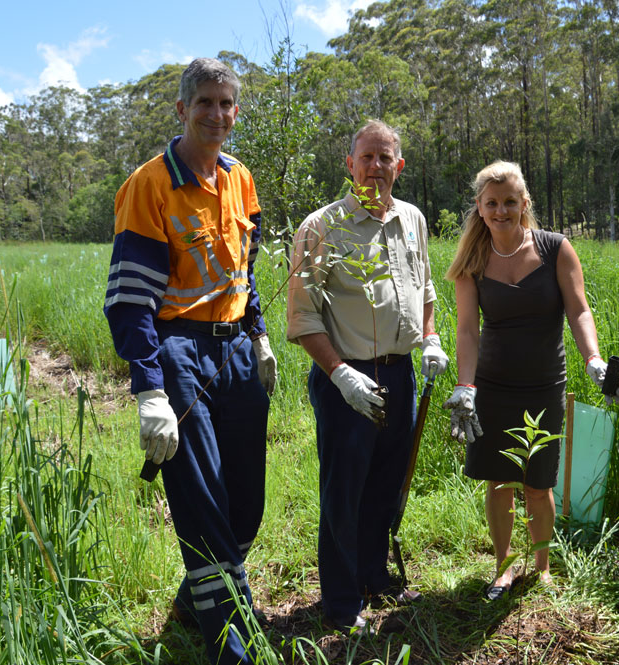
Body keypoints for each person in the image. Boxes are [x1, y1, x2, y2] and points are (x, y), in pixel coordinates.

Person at [103, 57, 277, 665]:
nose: (216, 114)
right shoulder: (150, 185)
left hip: (235, 348)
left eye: (226, 103)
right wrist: (150, 388)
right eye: (204, 102)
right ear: (182, 109)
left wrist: (258, 334)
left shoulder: (240, 178)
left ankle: (192, 603)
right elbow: (130, 300)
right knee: (201, 500)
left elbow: (243, 269)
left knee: (245, 504)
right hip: (177, 350)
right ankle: (234, 644)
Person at [286, 119, 449, 633]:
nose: (375, 167)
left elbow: (424, 291)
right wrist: (340, 375)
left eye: (385, 158)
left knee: (385, 482)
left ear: (398, 166)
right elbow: (303, 317)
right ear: (350, 164)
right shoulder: (321, 227)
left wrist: (430, 339)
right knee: (344, 491)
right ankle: (340, 602)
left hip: (401, 377)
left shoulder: (413, 219)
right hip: (347, 383)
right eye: (366, 157)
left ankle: (374, 576)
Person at [443, 160, 619, 599]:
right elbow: (467, 331)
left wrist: (594, 359)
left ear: (525, 203)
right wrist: (466, 386)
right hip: (492, 386)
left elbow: (579, 310)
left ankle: (541, 567)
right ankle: (503, 567)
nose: (501, 211)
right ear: (480, 207)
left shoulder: (554, 248)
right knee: (499, 482)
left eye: (510, 202)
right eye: (492, 203)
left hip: (544, 384)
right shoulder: (471, 260)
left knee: (539, 484)